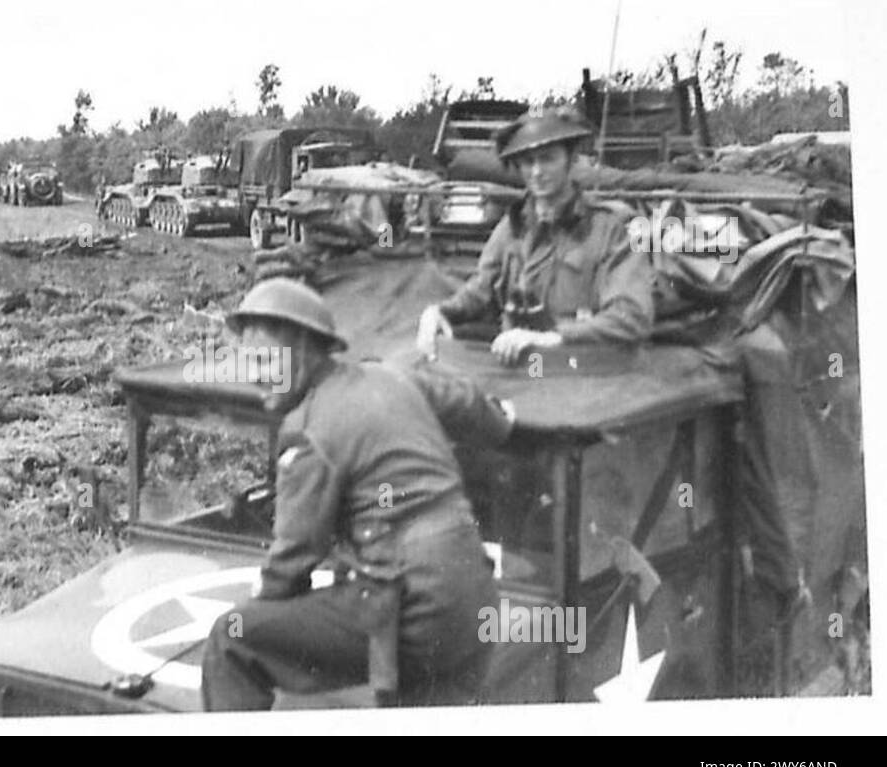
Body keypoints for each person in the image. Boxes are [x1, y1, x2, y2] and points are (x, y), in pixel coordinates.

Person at [201, 278, 515, 711]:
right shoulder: (390, 377)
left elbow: (293, 558)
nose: (254, 375)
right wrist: (502, 418)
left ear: (307, 351)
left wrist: (264, 610)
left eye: (265, 360)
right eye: (248, 361)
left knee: (232, 638)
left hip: (413, 605)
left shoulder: (307, 430)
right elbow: (468, 404)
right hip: (473, 598)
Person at [416, 108, 655, 365]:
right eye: (528, 162)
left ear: (571, 158)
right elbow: (481, 290)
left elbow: (631, 316)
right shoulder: (512, 227)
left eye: (547, 158)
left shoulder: (611, 227)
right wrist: (440, 311)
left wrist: (554, 337)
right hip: (520, 368)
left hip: (585, 368)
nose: (537, 172)